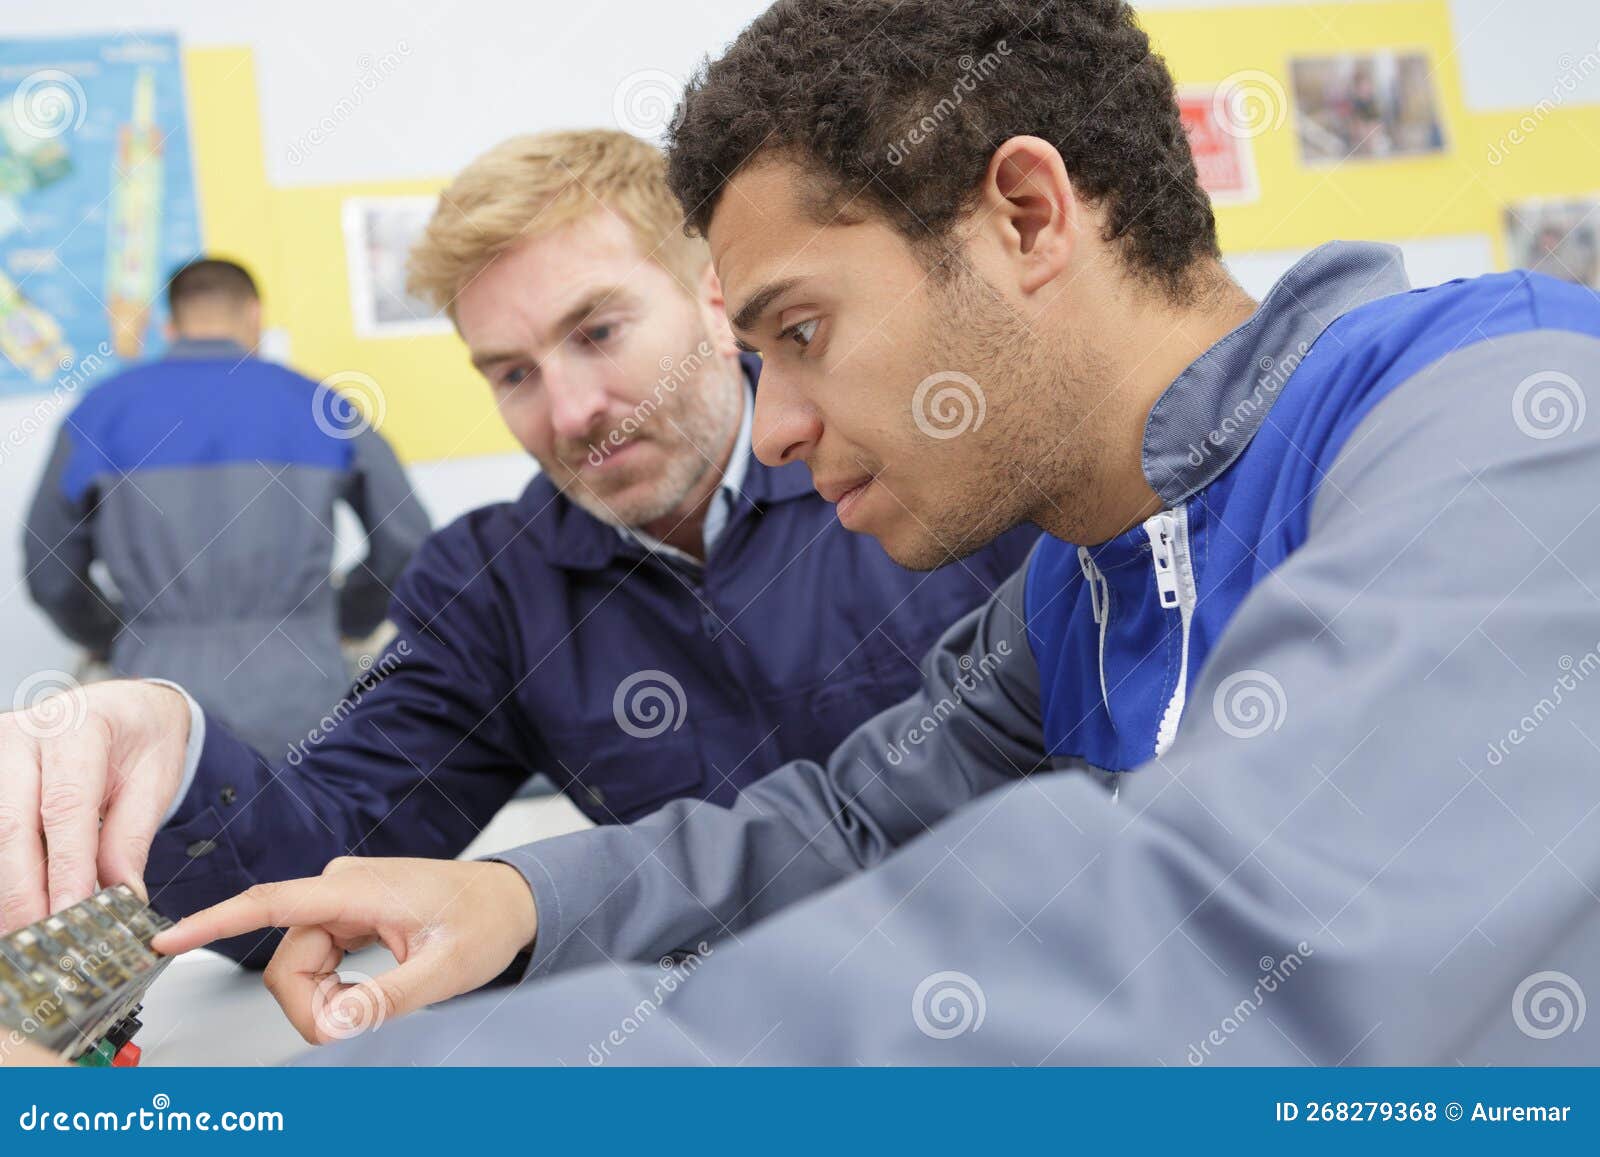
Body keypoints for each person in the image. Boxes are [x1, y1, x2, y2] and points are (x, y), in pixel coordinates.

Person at [153, 0, 1600, 1065]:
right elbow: (843, 827)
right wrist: (515, 897)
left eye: (797, 330)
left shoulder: (1501, 410)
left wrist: (399, 1098)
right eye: (511, 372)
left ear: (1028, 215)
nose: (771, 424)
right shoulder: (1067, 592)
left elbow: (1232, 947)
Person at [0, 130, 1037, 957]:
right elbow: (310, 887)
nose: (572, 410)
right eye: (511, 373)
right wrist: (169, 739)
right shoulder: (492, 588)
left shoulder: (928, 454)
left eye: (597, 331)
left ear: (714, 299)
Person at [22, 258, 429, 758]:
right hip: (300, 689)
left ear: (172, 326)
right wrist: (346, 618)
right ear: (254, 315)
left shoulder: (102, 410)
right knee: (308, 830)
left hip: (156, 692)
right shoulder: (317, 403)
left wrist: (114, 633)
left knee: (169, 833)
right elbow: (407, 539)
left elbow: (48, 569)